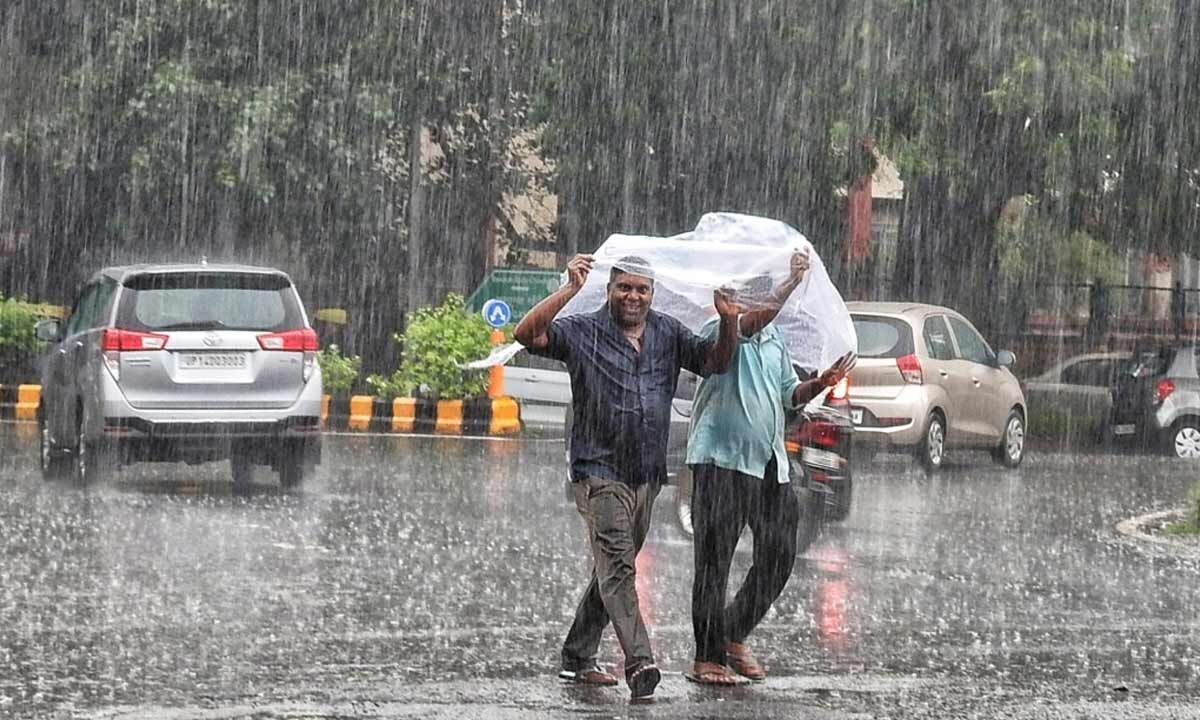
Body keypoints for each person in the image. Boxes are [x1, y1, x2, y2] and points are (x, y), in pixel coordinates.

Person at [513, 253, 742, 701]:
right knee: (618, 565)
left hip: (646, 474)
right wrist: (568, 291)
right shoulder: (583, 331)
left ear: (652, 293)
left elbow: (715, 362)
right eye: (624, 287)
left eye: (641, 289)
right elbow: (527, 334)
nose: (633, 296)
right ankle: (640, 661)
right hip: (598, 470)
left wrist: (729, 321)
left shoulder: (667, 333)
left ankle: (578, 654)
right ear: (609, 289)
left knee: (613, 566)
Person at [684, 250, 855, 686]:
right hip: (721, 461)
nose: (755, 304)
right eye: (749, 295)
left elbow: (788, 394)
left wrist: (820, 382)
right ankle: (707, 656)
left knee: (780, 553)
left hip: (768, 464)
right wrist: (791, 283)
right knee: (714, 562)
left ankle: (732, 632)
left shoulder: (775, 340)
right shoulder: (720, 330)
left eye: (761, 295)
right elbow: (747, 325)